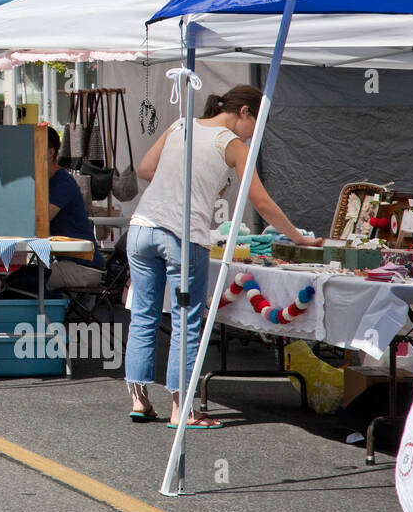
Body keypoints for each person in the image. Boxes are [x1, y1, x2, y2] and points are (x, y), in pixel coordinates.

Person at [124, 84, 323, 427]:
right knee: (187, 321)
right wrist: (299, 239)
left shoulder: (181, 124)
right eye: (256, 125)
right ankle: (180, 409)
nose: (254, 135)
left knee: (144, 315)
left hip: (141, 227)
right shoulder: (232, 145)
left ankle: (139, 401)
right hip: (182, 236)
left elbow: (145, 169)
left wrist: (185, 182)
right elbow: (259, 201)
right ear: (244, 112)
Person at [44, 125, 105, 290]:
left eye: (33, 147)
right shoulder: (48, 182)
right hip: (70, 262)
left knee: (28, 283)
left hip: (84, 267)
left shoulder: (62, 183)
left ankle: (41, 317)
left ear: (51, 152)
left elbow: (40, 219)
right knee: (21, 279)